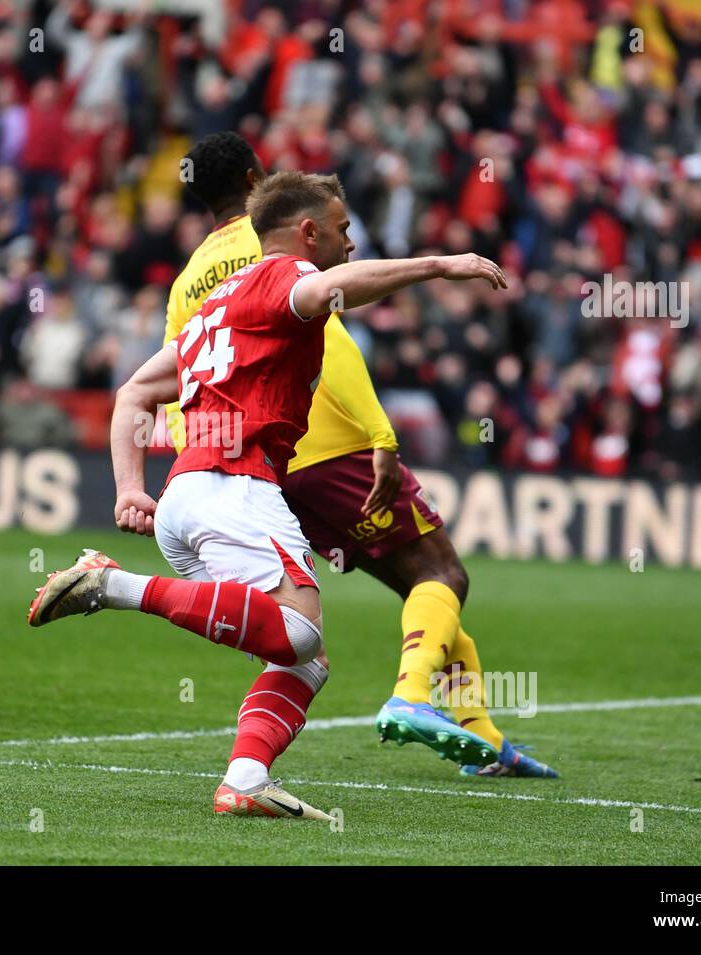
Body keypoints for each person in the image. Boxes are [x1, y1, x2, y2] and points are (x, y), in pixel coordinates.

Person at [28, 170, 507, 819]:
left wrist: (129, 490)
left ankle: (246, 778)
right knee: (300, 631)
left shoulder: (212, 309)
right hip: (235, 488)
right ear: (306, 232)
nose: (350, 242)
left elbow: (133, 394)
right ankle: (111, 585)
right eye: (342, 229)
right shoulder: (281, 278)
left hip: (184, 499)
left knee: (305, 662)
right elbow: (333, 287)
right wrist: (441, 264)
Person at [162, 133, 558, 779]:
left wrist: (201, 464)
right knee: (443, 574)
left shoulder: (186, 283)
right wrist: (381, 435)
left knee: (419, 585)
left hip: (255, 471)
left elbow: (182, 379)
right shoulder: (273, 245)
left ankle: (481, 737)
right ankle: (410, 698)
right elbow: (334, 338)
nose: (348, 240)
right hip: (325, 441)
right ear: (259, 180)